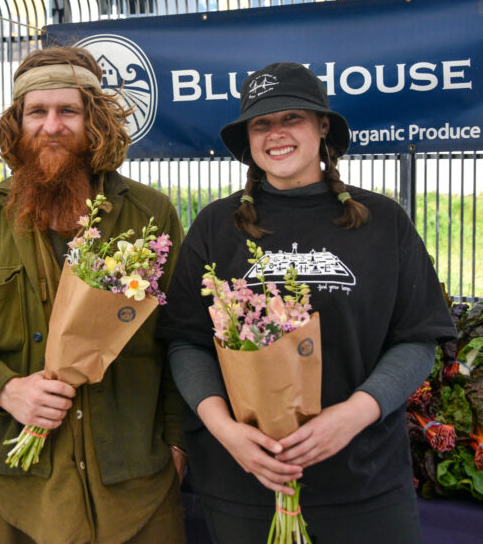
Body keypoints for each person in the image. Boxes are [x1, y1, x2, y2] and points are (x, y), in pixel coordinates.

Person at [158, 62, 456, 543]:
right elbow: (186, 342)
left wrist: (355, 413)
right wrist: (226, 430)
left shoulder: (381, 221)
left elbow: (418, 338)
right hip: (245, 483)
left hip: (363, 482)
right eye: (261, 123)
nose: (276, 133)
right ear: (249, 140)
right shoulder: (216, 226)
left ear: (322, 127)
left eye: (291, 118)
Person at [0, 47, 187, 544]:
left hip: (136, 484)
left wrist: (177, 444)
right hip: (26, 492)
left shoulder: (150, 215)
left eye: (68, 111)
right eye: (37, 112)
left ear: (95, 121)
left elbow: (179, 337)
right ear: (17, 123)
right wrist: (6, 390)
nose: (52, 125)